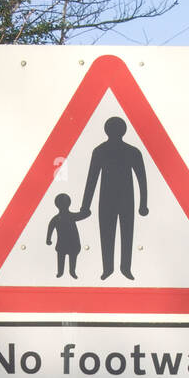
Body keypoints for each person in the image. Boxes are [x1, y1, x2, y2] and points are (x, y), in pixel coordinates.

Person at [78, 116, 148, 279]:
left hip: (120, 200)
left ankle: (123, 268)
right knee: (112, 234)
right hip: (112, 200)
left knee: (120, 234)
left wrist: (85, 207)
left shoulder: (130, 152)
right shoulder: (103, 151)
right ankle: (109, 269)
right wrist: (85, 206)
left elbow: (141, 179)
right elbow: (92, 179)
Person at [46, 193, 89, 278]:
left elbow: (83, 215)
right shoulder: (58, 218)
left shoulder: (67, 216)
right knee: (62, 257)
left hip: (72, 243)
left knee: (71, 257)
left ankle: (71, 272)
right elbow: (50, 228)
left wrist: (48, 239)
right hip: (64, 243)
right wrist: (48, 239)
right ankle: (61, 272)